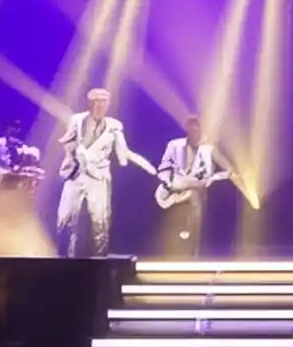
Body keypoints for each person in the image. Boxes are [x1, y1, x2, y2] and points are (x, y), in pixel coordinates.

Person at [55, 88, 156, 257]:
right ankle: (63, 258)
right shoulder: (76, 120)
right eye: (95, 101)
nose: (99, 105)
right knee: (66, 218)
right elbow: (68, 142)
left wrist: (145, 165)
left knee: (100, 220)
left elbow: (124, 153)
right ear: (88, 103)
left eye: (103, 101)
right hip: (76, 174)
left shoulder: (114, 126)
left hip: (99, 177)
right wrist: (79, 155)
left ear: (108, 104)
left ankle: (99, 260)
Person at [156, 117, 219, 257]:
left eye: (198, 127)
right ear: (187, 128)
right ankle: (173, 250)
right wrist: (168, 183)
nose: (195, 130)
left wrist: (209, 179)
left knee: (196, 206)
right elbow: (164, 167)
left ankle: (194, 251)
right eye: (192, 127)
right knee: (175, 220)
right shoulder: (174, 145)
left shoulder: (207, 149)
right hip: (175, 189)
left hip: (195, 189)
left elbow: (208, 173)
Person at [0, 119, 43, 231]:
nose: (16, 130)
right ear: (7, 128)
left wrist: (29, 172)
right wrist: (14, 169)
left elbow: (34, 169)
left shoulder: (26, 149)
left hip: (14, 194)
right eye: (13, 127)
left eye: (18, 128)